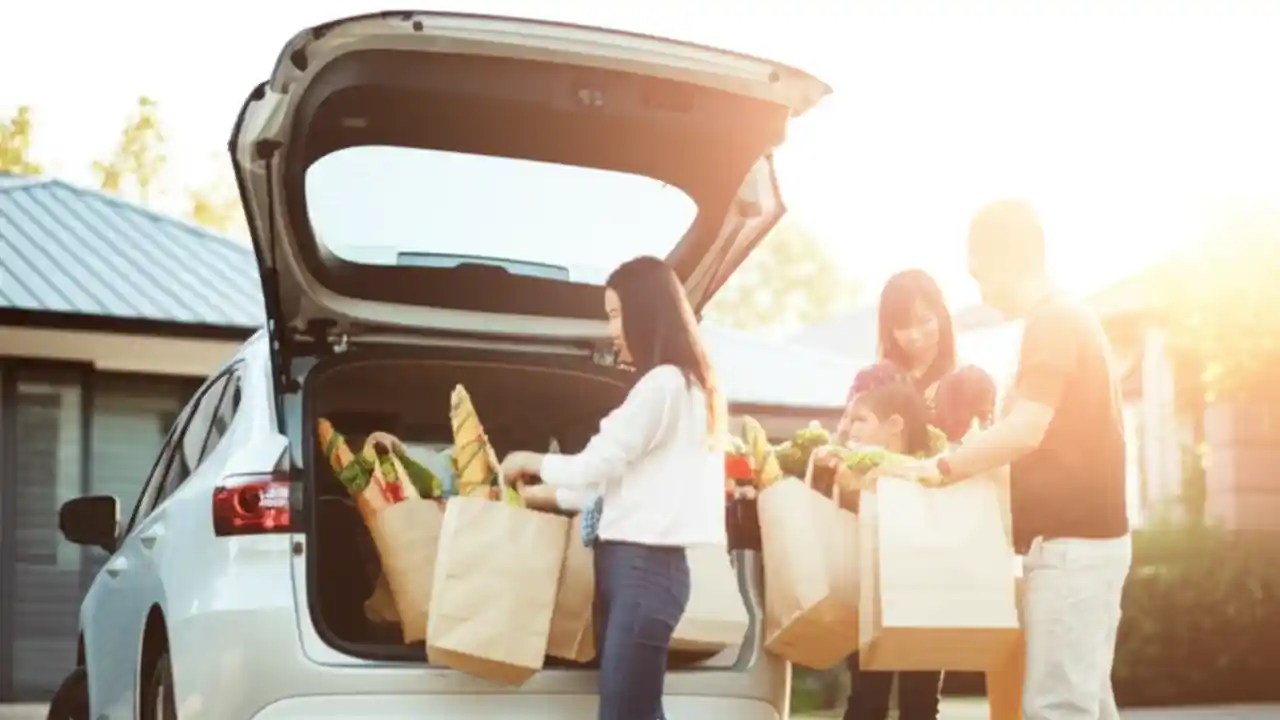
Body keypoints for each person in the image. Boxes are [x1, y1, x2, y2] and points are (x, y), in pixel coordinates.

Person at [897, 199, 1131, 720]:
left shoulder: (1054, 321)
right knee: (1087, 702)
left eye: (981, 275)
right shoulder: (1067, 317)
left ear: (1007, 259)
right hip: (1085, 546)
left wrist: (943, 468)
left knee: (1055, 706)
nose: (981, 292)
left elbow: (1027, 428)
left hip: (1073, 548)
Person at [499, 255, 727, 720]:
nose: (612, 329)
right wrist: (544, 497)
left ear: (646, 312)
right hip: (638, 569)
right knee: (634, 710)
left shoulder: (663, 385)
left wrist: (531, 461)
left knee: (626, 712)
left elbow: (598, 463)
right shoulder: (682, 388)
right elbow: (619, 488)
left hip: (643, 569)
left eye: (616, 314)